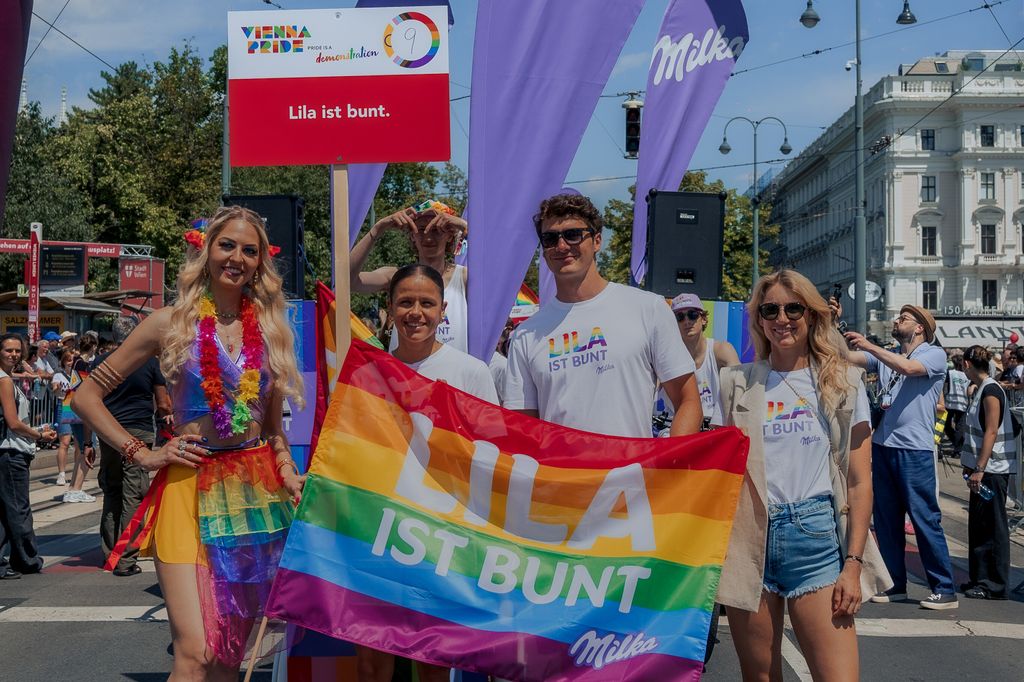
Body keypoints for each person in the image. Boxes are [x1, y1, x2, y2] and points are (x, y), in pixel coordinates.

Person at [73, 206, 305, 678]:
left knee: (227, 655)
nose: (236, 257)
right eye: (227, 245)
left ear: (260, 262)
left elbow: (273, 430)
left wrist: (286, 470)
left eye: (249, 250)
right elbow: (85, 397)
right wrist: (144, 453)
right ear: (207, 250)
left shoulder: (273, 330)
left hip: (252, 494)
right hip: (187, 487)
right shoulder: (169, 323)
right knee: (195, 651)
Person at [718, 269, 888, 682]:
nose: (782, 319)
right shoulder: (735, 382)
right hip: (749, 536)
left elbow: (859, 481)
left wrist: (853, 564)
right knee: (760, 677)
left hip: (815, 539)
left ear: (811, 315)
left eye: (793, 308)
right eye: (770, 310)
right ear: (759, 319)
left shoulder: (842, 381)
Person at [357, 263, 497, 682]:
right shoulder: (367, 373)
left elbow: (493, 456)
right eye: (405, 302)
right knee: (372, 660)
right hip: (378, 529)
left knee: (432, 660)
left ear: (442, 310)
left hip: (441, 535)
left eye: (426, 303)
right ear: (389, 307)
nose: (415, 312)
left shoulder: (471, 373)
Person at [504, 192, 701, 438]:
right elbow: (523, 429)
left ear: (597, 241)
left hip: (634, 463)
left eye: (573, 234)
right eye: (550, 238)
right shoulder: (526, 335)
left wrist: (673, 459)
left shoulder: (648, 308)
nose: (562, 246)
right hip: (559, 465)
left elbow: (688, 400)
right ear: (543, 250)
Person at [841, 304, 958, 609]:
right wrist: (830, 322)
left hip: (914, 449)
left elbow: (908, 369)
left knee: (923, 518)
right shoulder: (888, 354)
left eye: (904, 318)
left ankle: (944, 588)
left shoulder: (933, 353)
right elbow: (847, 356)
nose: (897, 321)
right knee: (886, 520)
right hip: (884, 445)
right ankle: (895, 584)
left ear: (920, 328)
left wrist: (869, 346)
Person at [94, 316, 171, 577]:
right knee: (133, 495)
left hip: (108, 433)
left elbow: (85, 400)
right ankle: (125, 559)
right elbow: (163, 403)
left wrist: (87, 441)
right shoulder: (148, 362)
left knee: (112, 490)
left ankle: (109, 554)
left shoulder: (99, 361)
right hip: (138, 432)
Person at [350, 201, 469, 351]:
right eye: (421, 229)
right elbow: (348, 280)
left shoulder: (464, 277)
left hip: (453, 366)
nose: (428, 237)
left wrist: (465, 226)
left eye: (436, 230)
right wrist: (378, 228)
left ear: (450, 236)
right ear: (412, 236)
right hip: (402, 367)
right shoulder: (397, 277)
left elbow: (497, 280)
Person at [959, 346, 1017, 600]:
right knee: (980, 525)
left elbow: (991, 431)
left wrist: (979, 469)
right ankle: (980, 578)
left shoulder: (991, 390)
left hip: (993, 469)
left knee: (992, 527)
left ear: (966, 364)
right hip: (984, 469)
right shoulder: (983, 388)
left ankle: (993, 584)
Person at [0, 333, 57, 578]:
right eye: (8, 350)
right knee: (18, 509)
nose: (14, 355)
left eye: (17, 350)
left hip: (6, 450)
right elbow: (13, 423)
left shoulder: (6, 378)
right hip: (11, 451)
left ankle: (6, 562)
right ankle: (26, 560)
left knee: (4, 510)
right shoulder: (4, 381)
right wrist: (39, 435)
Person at [655, 293, 740, 430]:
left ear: (704, 319)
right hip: (675, 428)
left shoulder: (721, 350)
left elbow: (740, 389)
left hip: (714, 428)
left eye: (692, 315)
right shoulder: (664, 356)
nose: (687, 321)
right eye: (679, 317)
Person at [62, 335, 98, 504]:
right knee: (88, 449)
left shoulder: (76, 361)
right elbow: (84, 387)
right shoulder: (84, 364)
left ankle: (72, 488)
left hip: (71, 407)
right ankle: (77, 489)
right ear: (93, 347)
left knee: (81, 449)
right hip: (81, 409)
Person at [51, 351, 76, 487]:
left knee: (79, 442)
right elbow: (55, 390)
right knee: (65, 442)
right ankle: (61, 474)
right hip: (64, 405)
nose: (71, 362)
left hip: (78, 406)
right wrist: (57, 388)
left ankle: (77, 473)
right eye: (68, 360)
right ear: (64, 362)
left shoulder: (79, 374)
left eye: (73, 360)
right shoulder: (58, 375)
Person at [944, 353, 969, 450]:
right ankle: (958, 447)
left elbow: (944, 386)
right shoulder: (967, 375)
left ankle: (956, 444)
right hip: (963, 403)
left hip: (950, 402)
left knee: (946, 425)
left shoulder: (950, 373)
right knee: (960, 427)